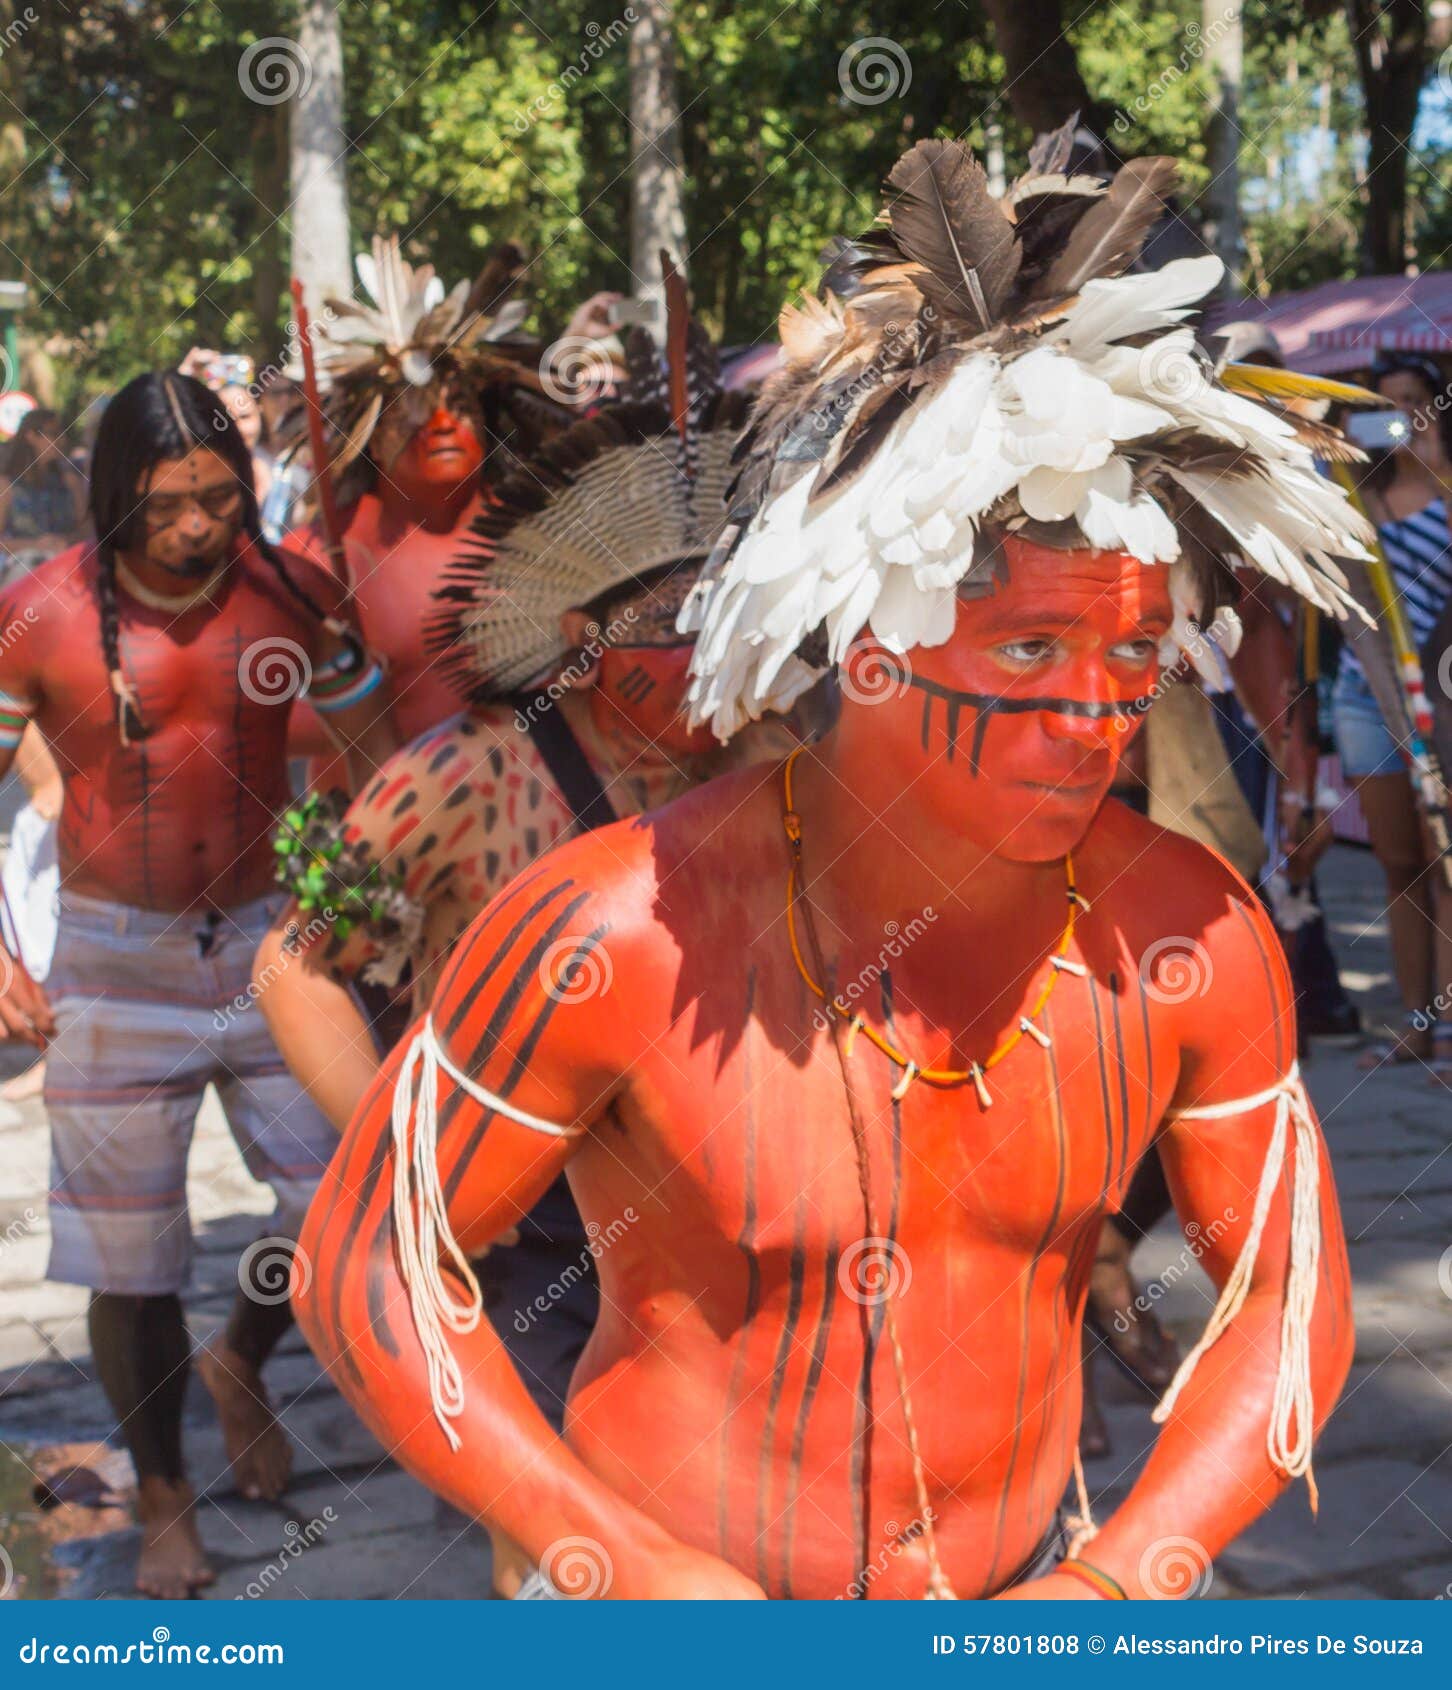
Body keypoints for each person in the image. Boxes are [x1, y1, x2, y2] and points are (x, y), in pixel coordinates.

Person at [296, 136, 1360, 1599]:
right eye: (1032, 649)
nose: (1097, 711)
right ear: (868, 649)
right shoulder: (617, 927)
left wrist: (1123, 1579)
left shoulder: (1187, 933)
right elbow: (369, 1261)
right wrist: (608, 1557)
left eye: (1130, 652)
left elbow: (1289, 1292)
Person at [255, 306, 791, 1592]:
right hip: (535, 1206)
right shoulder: (463, 775)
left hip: (728, 1204)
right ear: (580, 640)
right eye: (662, 621)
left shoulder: (782, 762)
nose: (697, 647)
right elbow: (294, 965)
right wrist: (411, 1168)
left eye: (714, 613)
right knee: (557, 1541)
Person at [0, 372, 395, 1598]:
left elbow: (380, 759)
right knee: (131, 1263)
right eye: (167, 504)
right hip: (114, 955)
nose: (195, 526)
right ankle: (165, 1489)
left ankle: (239, 1357)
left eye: (221, 498)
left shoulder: (293, 593)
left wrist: (360, 884)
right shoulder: (39, 614)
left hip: (278, 944)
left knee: (338, 1204)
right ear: (110, 492)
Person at [286, 233, 570, 751]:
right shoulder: (317, 555)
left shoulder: (543, 536)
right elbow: (259, 719)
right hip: (383, 820)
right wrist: (355, 705)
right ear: (369, 433)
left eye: (459, 403)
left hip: (528, 817)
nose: (440, 424)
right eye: (411, 409)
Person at [1330, 353, 1452, 1073]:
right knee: (1400, 867)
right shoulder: (1351, 494)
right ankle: (1415, 1025)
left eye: (1417, 401)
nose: (1405, 416)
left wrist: (1434, 467)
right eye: (1388, 405)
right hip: (1362, 695)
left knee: (1445, 863)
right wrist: (1342, 449)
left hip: (1438, 700)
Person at [0, 407, 88, 577]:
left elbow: (87, 527)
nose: (60, 440)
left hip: (67, 570)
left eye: (62, 433)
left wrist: (67, 541)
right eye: (53, 433)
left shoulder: (70, 482)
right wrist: (35, 545)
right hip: (22, 575)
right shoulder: (7, 485)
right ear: (31, 436)